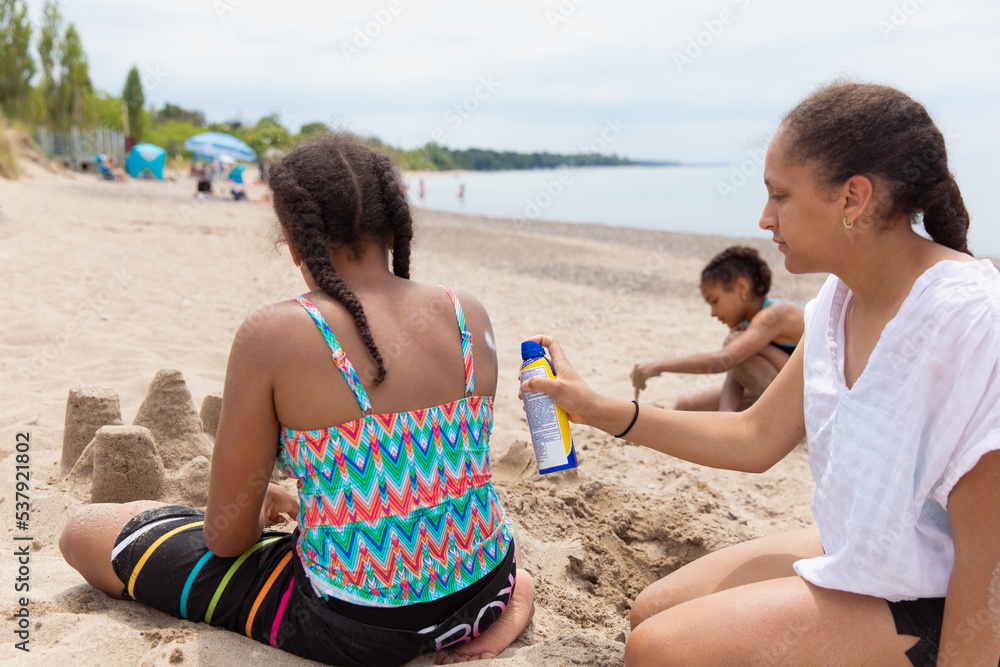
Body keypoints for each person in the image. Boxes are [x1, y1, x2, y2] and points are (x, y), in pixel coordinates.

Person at [520, 82, 1000, 666]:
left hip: (942, 595)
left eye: (780, 196)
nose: (765, 217)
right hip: (868, 547)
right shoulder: (836, 301)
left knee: (659, 651)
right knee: (650, 610)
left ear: (853, 198)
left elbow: (989, 558)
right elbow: (756, 437)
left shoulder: (970, 319)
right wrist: (596, 409)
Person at [59, 133, 535, 667]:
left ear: (292, 238)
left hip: (357, 625)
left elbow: (225, 539)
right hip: (486, 584)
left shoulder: (275, 333)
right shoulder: (467, 311)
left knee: (87, 533)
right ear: (395, 225)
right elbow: (433, 473)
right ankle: (515, 601)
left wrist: (257, 506)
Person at [630, 245, 804, 411]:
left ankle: (800, 433)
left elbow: (722, 361)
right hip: (778, 388)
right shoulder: (744, 326)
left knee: (734, 341)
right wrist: (725, 414)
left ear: (742, 288)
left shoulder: (776, 314)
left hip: (808, 396)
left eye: (715, 301)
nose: (713, 313)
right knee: (687, 405)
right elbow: (736, 371)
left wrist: (658, 366)